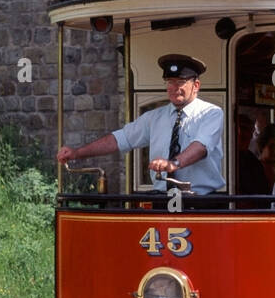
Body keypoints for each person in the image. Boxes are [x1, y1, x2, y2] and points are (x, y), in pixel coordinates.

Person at [56, 54, 224, 196]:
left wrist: (174, 164)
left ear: (196, 85)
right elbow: (120, 139)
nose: (174, 88)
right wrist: (77, 153)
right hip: (162, 201)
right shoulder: (154, 117)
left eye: (180, 82)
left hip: (201, 202)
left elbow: (201, 147)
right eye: (170, 81)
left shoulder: (211, 113)